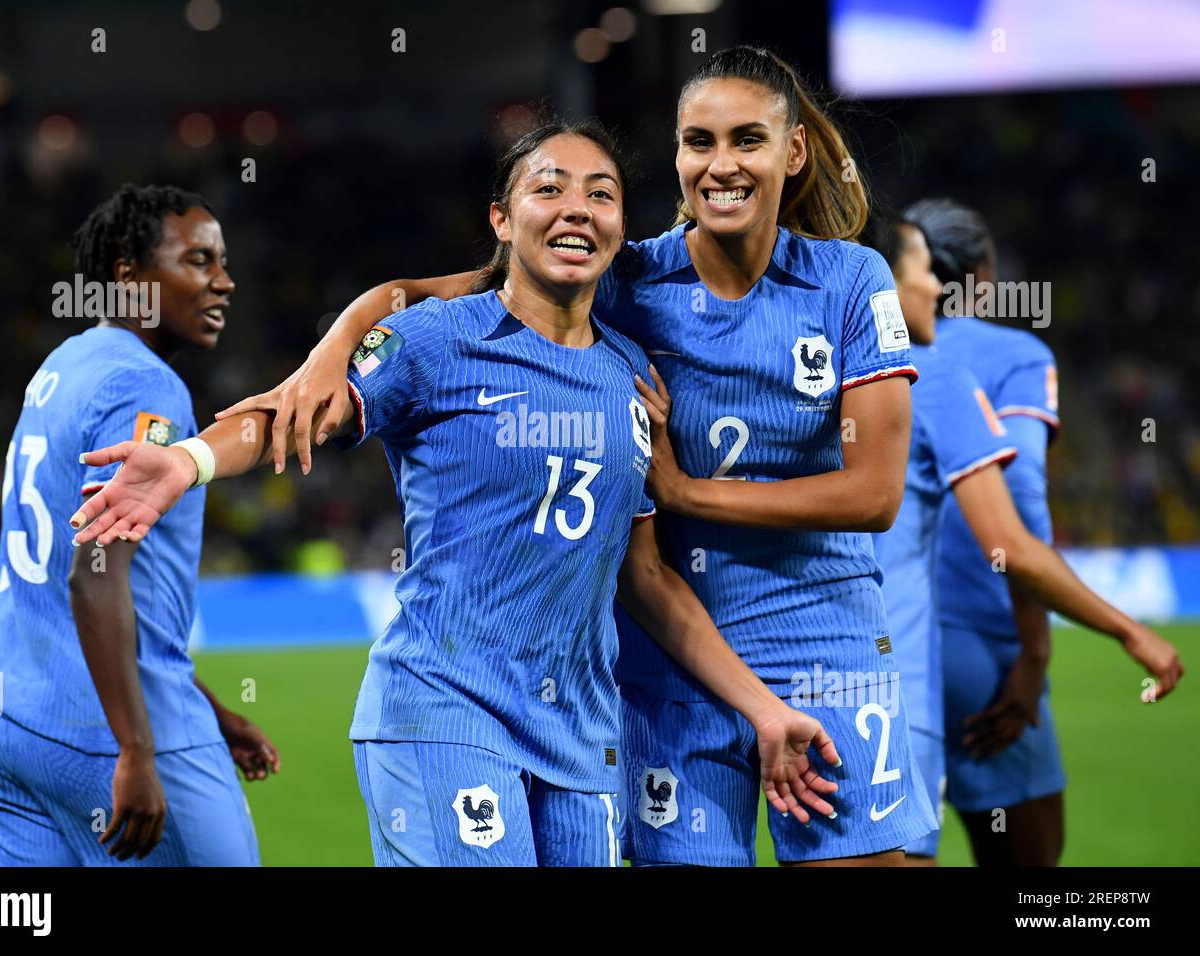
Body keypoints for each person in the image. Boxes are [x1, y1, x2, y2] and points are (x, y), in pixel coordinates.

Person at [225, 47, 942, 866]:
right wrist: (335, 344)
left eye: (747, 140)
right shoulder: (625, 274)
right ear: (677, 157)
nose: (721, 165)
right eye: (698, 142)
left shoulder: (851, 280)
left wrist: (686, 493)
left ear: (794, 152)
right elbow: (436, 294)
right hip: (668, 661)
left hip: (823, 639)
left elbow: (876, 493)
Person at [70, 123, 842, 867]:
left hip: (580, 738)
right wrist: (190, 461)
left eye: (601, 195)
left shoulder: (631, 373)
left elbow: (644, 579)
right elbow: (308, 411)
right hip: (445, 708)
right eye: (549, 189)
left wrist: (765, 710)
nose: (577, 207)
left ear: (617, 229)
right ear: (502, 221)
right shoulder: (436, 341)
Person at [0, 184, 278, 866]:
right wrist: (138, 748)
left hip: (4, 724)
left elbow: (74, 580)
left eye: (222, 261)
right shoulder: (148, 387)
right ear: (129, 276)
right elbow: (94, 573)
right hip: (103, 735)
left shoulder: (63, 364)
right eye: (198, 261)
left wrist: (216, 713)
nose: (224, 281)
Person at [896, 199, 1184, 866]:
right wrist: (1034, 654)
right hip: (985, 659)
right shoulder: (1013, 354)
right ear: (984, 275)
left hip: (887, 652)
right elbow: (1019, 499)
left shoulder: (865, 345)